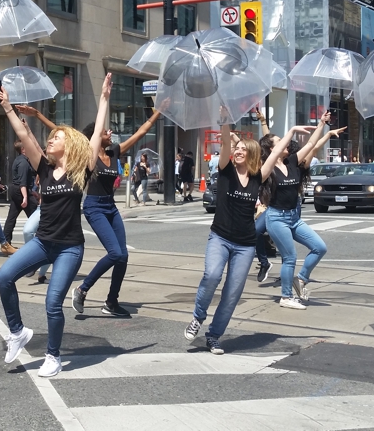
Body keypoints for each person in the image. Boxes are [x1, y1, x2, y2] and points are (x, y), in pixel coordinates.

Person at [0, 74, 107, 378]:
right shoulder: (43, 167)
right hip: (43, 242)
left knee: (52, 302)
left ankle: (53, 356)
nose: (50, 139)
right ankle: (17, 332)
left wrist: (105, 97)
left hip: (70, 247)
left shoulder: (82, 170)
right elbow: (23, 132)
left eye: (56, 137)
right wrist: (7, 106)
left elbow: (97, 132)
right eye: (51, 137)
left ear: (69, 145)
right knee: (4, 275)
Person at [183, 117, 283, 353]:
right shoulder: (226, 170)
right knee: (212, 275)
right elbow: (226, 141)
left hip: (245, 245)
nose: (237, 151)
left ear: (251, 154)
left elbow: (276, 151)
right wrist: (225, 120)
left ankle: (214, 335)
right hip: (220, 237)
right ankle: (198, 317)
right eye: (236, 149)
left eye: (242, 149)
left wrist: (295, 132)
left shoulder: (258, 177)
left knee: (232, 293)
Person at [72, 107, 160, 317]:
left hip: (111, 207)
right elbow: (69, 136)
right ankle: (82, 289)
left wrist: (158, 113)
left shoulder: (114, 151)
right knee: (115, 253)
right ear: (95, 137)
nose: (110, 133)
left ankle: (111, 302)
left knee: (123, 256)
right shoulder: (88, 156)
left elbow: (140, 133)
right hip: (94, 207)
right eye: (105, 132)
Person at [260, 112, 329, 310]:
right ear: (272, 149)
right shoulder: (267, 167)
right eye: (279, 141)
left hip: (293, 217)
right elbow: (272, 155)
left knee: (319, 247)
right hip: (276, 218)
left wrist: (321, 124)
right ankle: (285, 296)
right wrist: (291, 131)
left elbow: (310, 145)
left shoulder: (291, 161)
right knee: (289, 257)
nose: (285, 144)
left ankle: (302, 278)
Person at [3, 140, 39, 243]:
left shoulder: (19, 160)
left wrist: (31, 192)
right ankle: (41, 242)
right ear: (23, 149)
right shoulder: (23, 163)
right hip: (21, 191)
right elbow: (22, 182)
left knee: (12, 217)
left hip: (17, 190)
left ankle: (6, 242)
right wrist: (26, 197)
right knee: (36, 215)